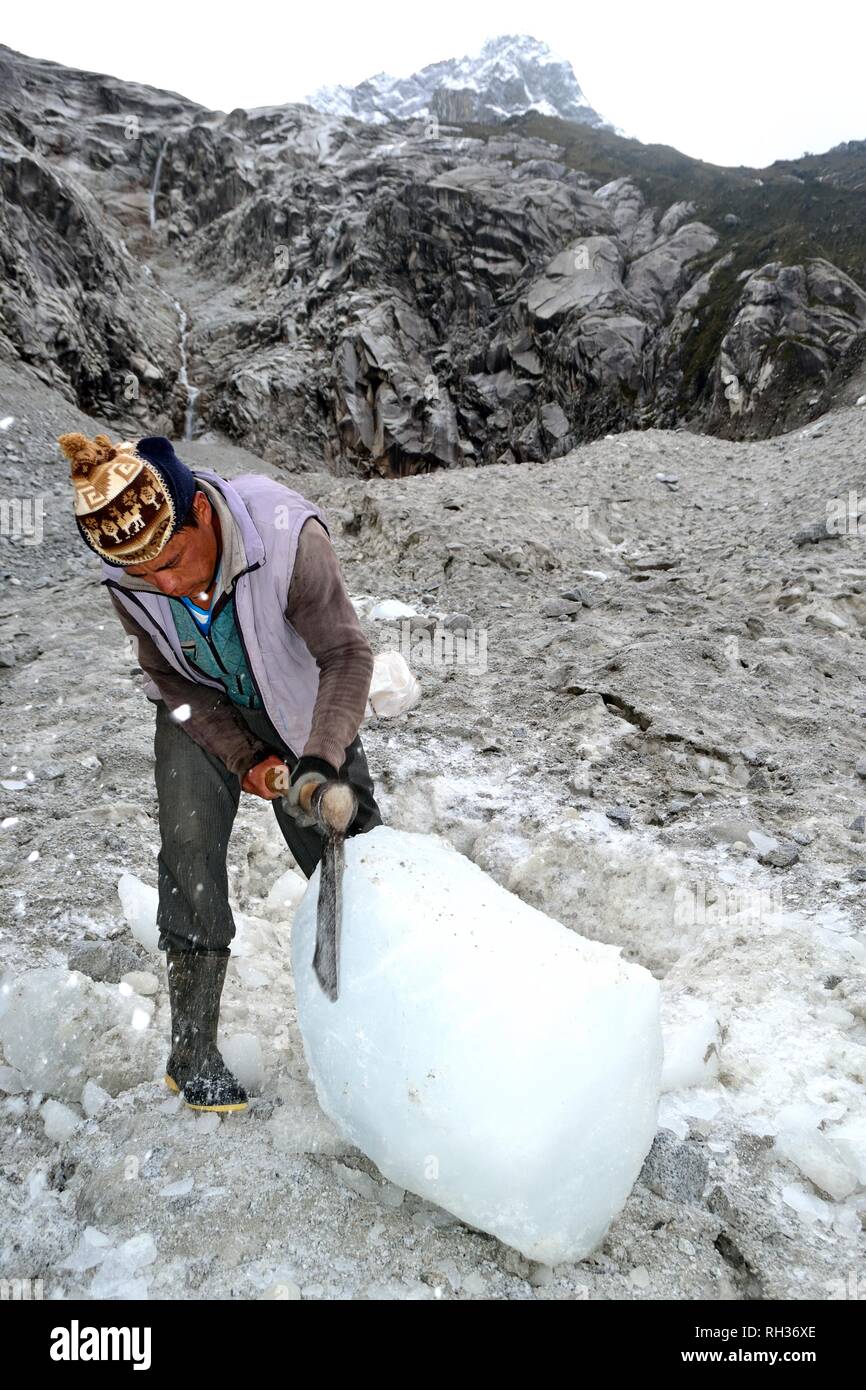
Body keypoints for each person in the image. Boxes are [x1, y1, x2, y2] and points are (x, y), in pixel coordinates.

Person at [58, 431, 383, 1114]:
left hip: (304, 713)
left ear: (200, 513)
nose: (167, 583)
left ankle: (392, 1036)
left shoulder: (287, 536)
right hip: (200, 713)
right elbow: (166, 677)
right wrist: (242, 759)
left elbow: (347, 656)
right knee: (189, 855)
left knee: (351, 864)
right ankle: (193, 1051)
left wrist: (316, 762)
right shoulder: (130, 574)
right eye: (149, 577)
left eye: (173, 560)